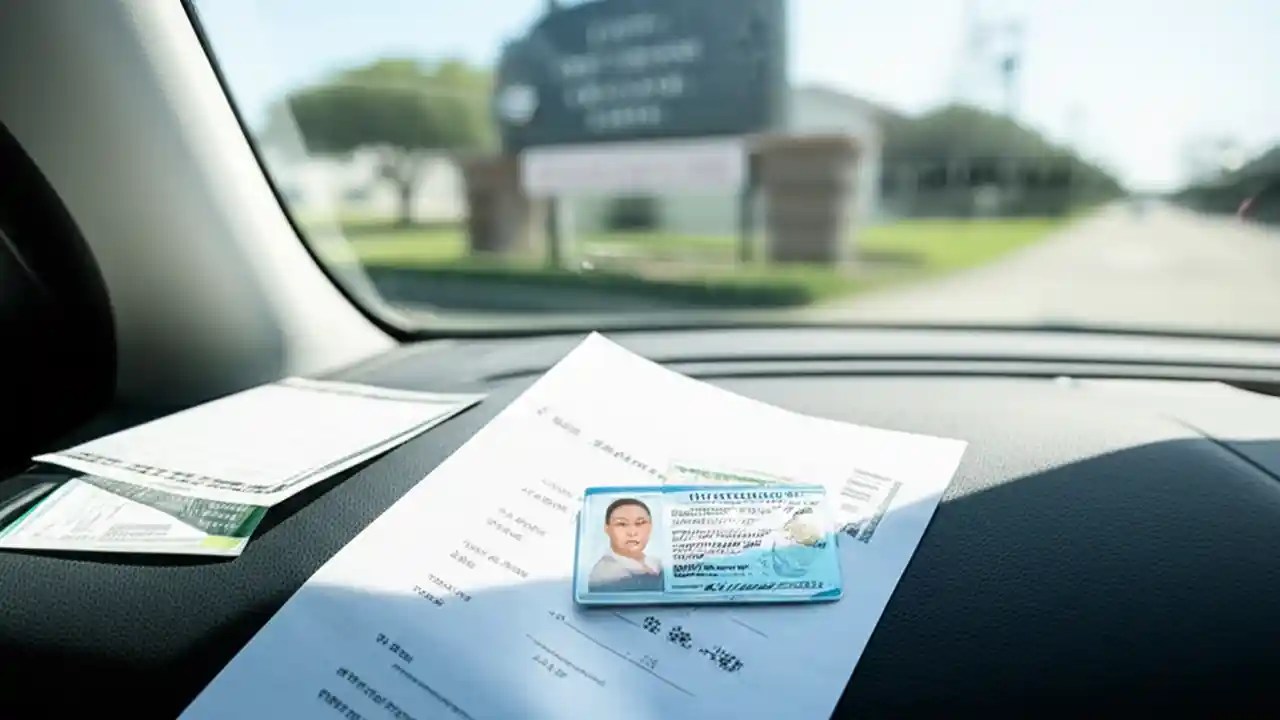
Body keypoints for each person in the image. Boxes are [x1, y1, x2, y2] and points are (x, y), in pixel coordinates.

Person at [587, 498, 663, 593]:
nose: (632, 533)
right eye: (622, 524)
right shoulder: (605, 575)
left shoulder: (657, 564)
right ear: (607, 528)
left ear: (650, 527)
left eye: (640, 523)